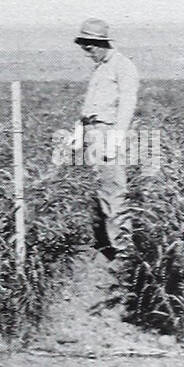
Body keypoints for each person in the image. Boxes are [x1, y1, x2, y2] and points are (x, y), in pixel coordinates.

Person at [74, 18, 139, 261]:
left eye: (89, 47)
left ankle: (123, 252)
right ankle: (109, 242)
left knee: (114, 191)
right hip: (93, 132)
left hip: (108, 133)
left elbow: (127, 106)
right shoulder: (101, 68)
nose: (86, 51)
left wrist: (115, 140)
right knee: (102, 189)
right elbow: (90, 107)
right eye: (84, 47)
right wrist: (78, 133)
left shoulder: (123, 66)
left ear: (99, 43)